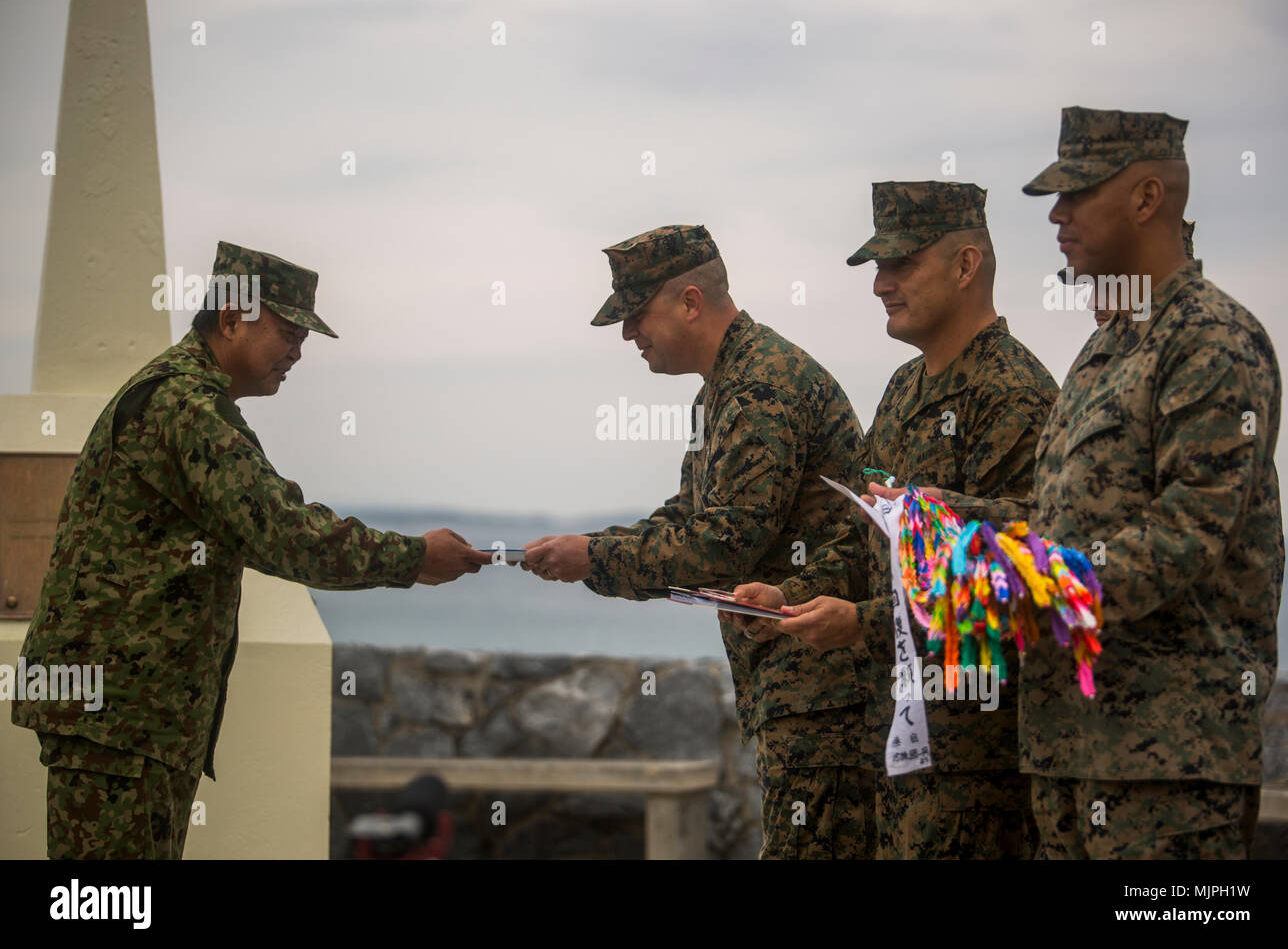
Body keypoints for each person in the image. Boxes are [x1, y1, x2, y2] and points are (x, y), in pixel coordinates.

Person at [877, 107, 1282, 858]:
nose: (1057, 215)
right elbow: (1059, 521)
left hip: (1166, 764)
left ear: (1147, 198)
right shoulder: (1103, 353)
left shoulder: (1211, 340)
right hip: (1065, 752)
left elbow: (1184, 534)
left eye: (1079, 193)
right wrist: (936, 513)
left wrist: (1020, 584)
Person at [13, 241, 491, 859]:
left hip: (125, 719)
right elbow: (283, 533)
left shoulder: (181, 396)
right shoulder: (186, 406)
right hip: (119, 722)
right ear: (233, 319)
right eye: (288, 331)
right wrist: (413, 557)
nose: (297, 352)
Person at [521, 224, 871, 858]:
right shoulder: (721, 391)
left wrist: (593, 559)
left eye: (636, 316)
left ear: (690, 301)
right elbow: (688, 516)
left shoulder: (761, 387)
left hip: (826, 692)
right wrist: (588, 548)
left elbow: (721, 546)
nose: (629, 335)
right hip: (797, 685)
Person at [732, 182, 1058, 858]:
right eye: (877, 267)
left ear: (966, 266)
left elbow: (1005, 586)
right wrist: (786, 599)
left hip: (976, 767)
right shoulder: (906, 389)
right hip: (902, 753)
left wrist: (860, 623)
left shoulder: (1014, 394)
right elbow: (862, 542)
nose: (881, 284)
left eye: (901, 263)